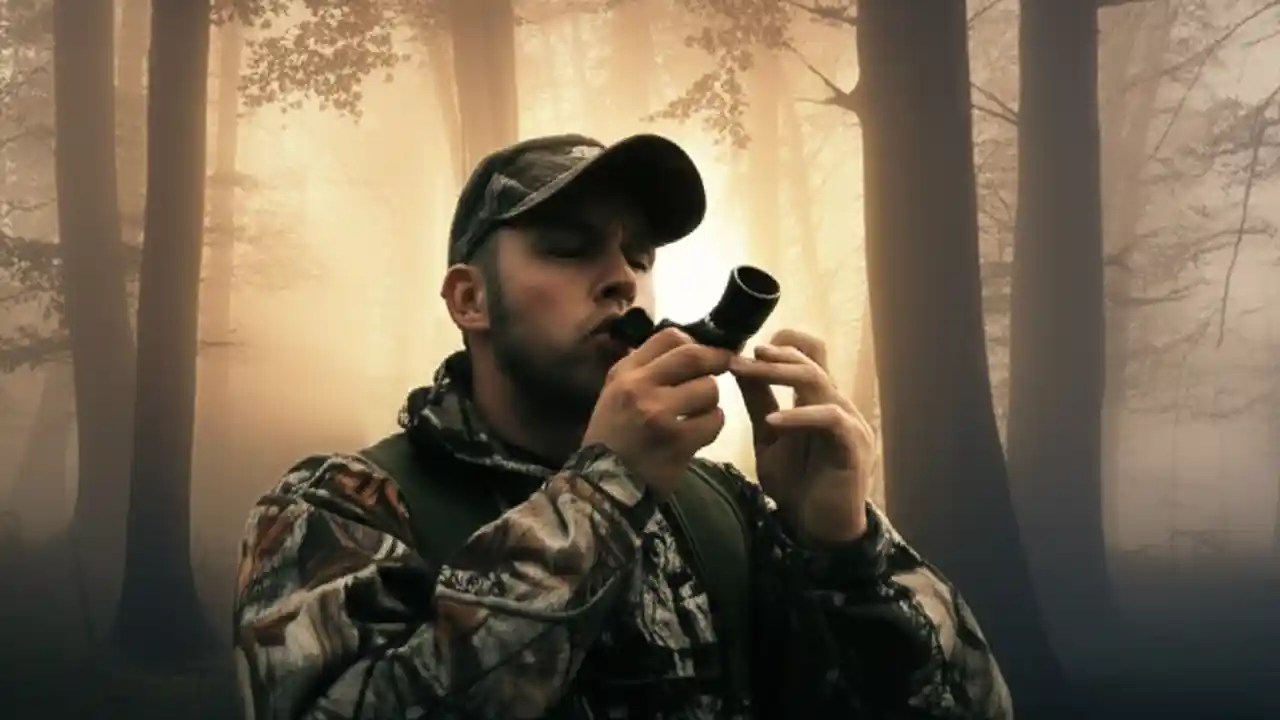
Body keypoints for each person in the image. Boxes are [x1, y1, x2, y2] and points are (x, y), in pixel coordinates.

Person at [232, 133, 1014, 719]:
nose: (621, 280)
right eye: (569, 250)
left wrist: (843, 547)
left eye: (639, 257)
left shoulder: (718, 508)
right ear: (470, 300)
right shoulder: (338, 506)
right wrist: (604, 492)